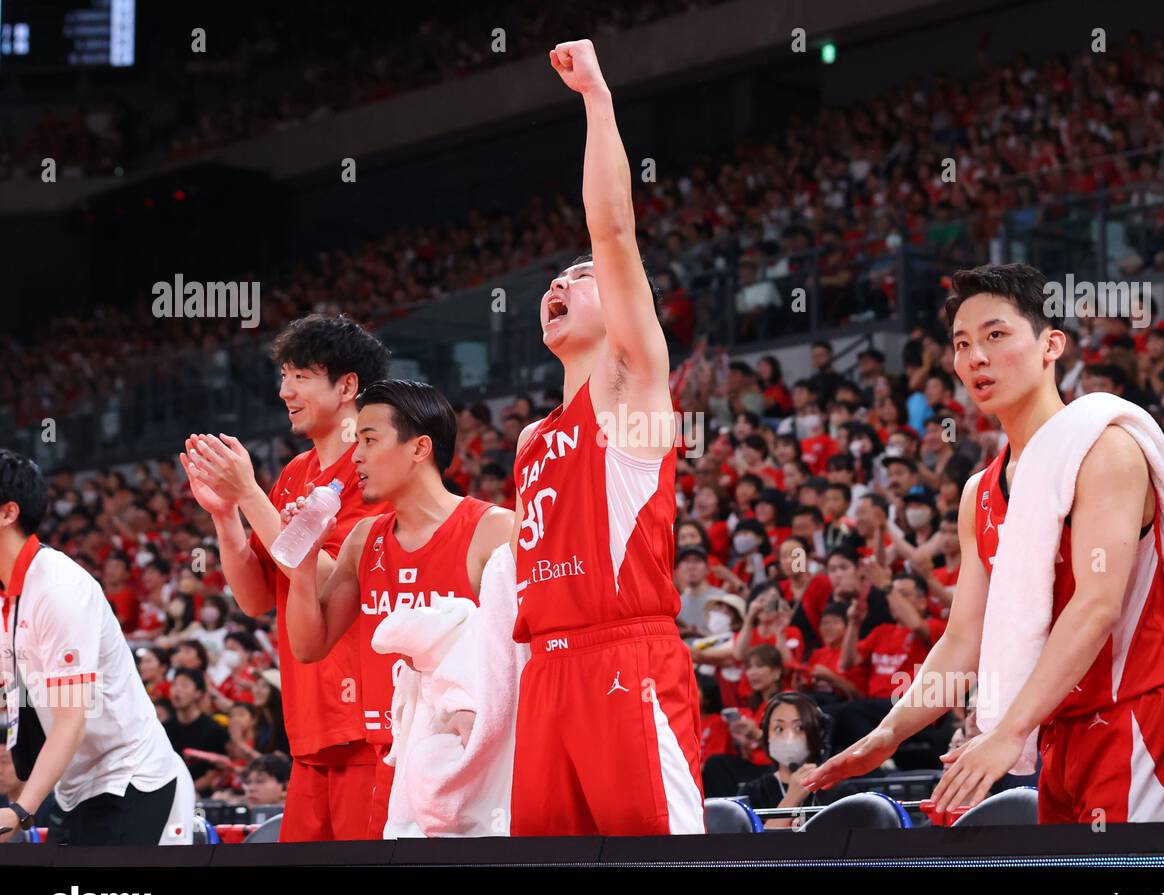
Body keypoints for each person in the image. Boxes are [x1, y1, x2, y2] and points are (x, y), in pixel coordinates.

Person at [806, 262, 1164, 823]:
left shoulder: (1103, 449)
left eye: (995, 335)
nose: (975, 357)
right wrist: (887, 734)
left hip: (1144, 715)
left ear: (1050, 345)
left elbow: (1098, 603)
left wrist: (1008, 730)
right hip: (1060, 729)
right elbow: (964, 638)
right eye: (962, 344)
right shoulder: (978, 492)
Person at [509, 39, 704, 836]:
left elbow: (614, 230)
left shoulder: (631, 385)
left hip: (628, 662)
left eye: (577, 278)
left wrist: (595, 96)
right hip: (545, 673)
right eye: (551, 282)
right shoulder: (529, 438)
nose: (558, 283)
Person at [180, 312, 391, 841]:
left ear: (347, 386)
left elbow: (328, 580)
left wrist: (250, 494)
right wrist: (227, 516)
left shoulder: (377, 466)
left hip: (366, 727)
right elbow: (255, 598)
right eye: (283, 376)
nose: (284, 391)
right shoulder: (296, 473)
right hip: (307, 727)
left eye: (300, 376)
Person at [284, 379, 512, 838]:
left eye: (369, 440)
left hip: (463, 760)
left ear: (419, 448)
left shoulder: (493, 531)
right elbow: (308, 646)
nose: (357, 457)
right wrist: (304, 567)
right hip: (386, 757)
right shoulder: (363, 542)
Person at [0, 451, 193, 845]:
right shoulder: (8, 599)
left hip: (132, 782)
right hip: (74, 790)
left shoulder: (58, 589)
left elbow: (72, 719)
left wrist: (20, 810)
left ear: (7, 514)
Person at [736, 692, 831, 828]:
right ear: (766, 735)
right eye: (779, 729)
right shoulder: (752, 793)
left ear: (818, 733)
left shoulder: (837, 791)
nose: (788, 737)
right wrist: (791, 799)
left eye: (799, 728)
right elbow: (753, 847)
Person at [164, 668, 230, 796]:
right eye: (174, 685)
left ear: (198, 693)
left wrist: (186, 792)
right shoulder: (164, 728)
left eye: (184, 685)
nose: (177, 690)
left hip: (203, 795)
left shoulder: (213, 729)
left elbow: (215, 772)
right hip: (170, 792)